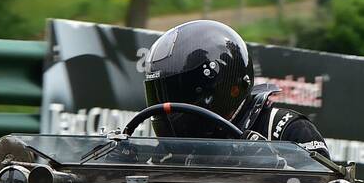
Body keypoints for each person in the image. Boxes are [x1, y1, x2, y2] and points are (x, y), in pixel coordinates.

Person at [141, 19, 330, 156]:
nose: (169, 106)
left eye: (179, 93)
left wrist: (273, 166)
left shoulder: (286, 131)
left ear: (225, 86)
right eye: (160, 94)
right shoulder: (171, 151)